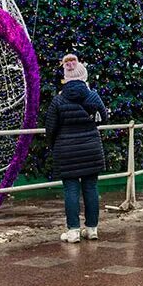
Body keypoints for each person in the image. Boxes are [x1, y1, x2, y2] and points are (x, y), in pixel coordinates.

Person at [45, 54, 108, 243]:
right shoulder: (92, 96)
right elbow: (104, 118)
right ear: (83, 76)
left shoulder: (58, 100)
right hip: (91, 148)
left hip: (66, 150)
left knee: (71, 189)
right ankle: (92, 228)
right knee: (90, 187)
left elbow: (50, 127)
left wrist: (55, 143)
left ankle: (73, 230)